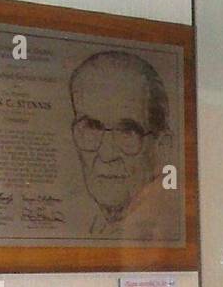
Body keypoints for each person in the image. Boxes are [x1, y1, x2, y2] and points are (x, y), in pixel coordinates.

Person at [69, 51, 181, 239]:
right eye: (92, 127)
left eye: (127, 132)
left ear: (162, 146)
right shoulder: (93, 229)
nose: (106, 154)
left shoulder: (162, 234)